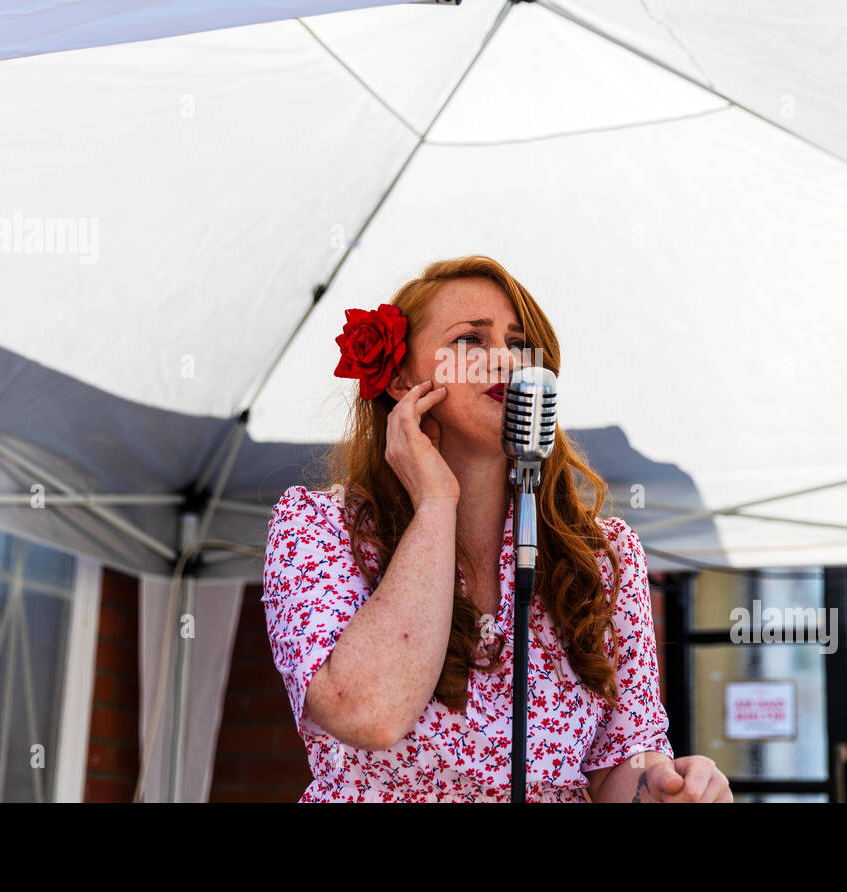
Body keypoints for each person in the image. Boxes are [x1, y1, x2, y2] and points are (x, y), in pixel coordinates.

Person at [263, 254, 732, 803]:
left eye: (518, 344)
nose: (506, 361)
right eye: (471, 341)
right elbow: (368, 712)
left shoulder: (604, 555)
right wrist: (436, 501)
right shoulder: (318, 529)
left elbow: (620, 766)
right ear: (398, 377)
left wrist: (671, 788)